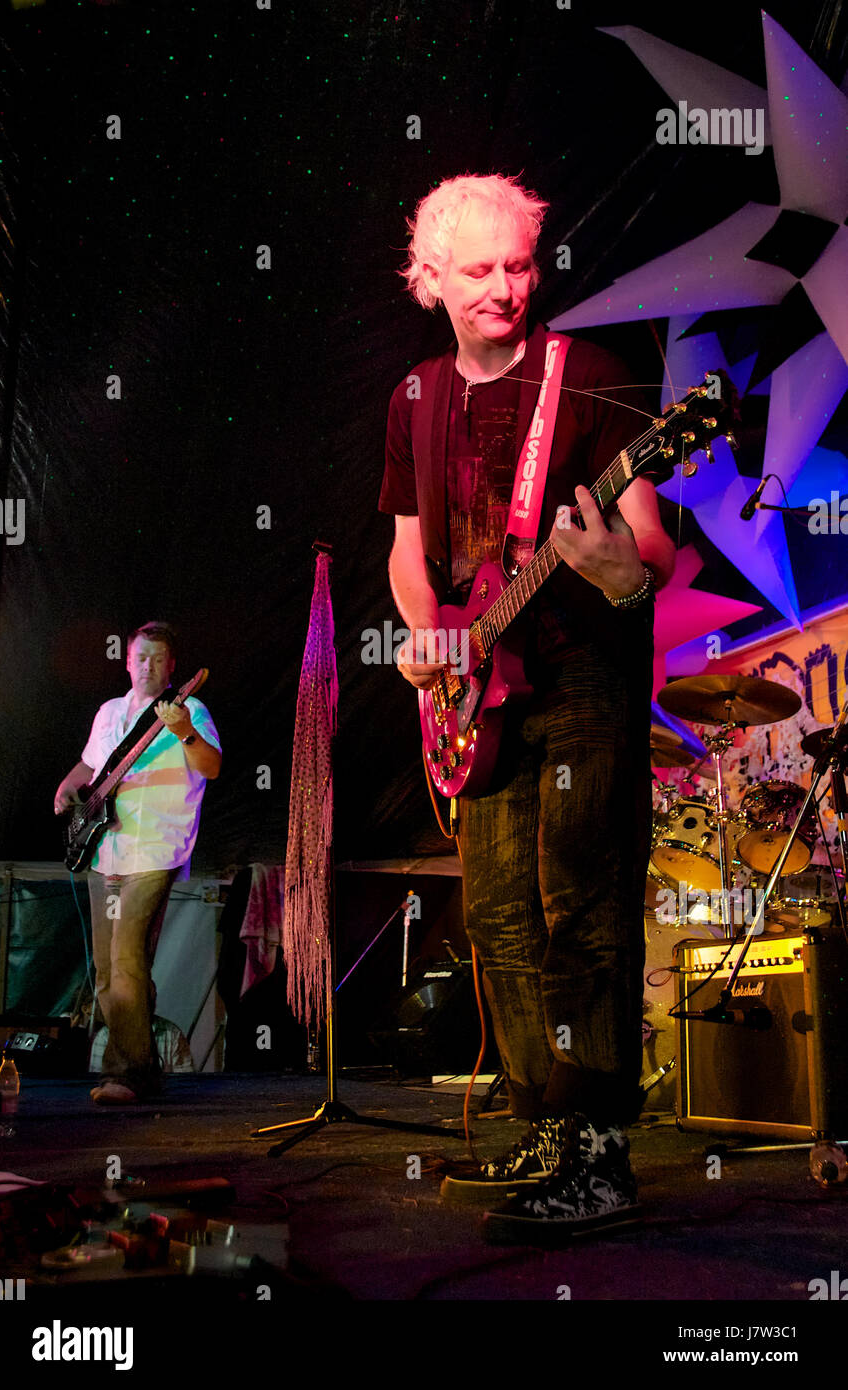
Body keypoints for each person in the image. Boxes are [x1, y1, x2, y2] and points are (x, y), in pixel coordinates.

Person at [378, 174, 676, 1243]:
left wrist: (610, 567)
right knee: (498, 917)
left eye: (518, 265)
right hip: (478, 694)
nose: (504, 287)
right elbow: (410, 559)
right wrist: (427, 633)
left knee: (582, 913)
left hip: (582, 682)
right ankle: (542, 1121)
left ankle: (599, 1150)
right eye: (477, 270)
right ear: (429, 281)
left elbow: (646, 550)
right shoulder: (415, 396)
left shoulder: (589, 376)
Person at [54, 621, 221, 1105]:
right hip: (106, 848)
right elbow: (92, 765)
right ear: (127, 662)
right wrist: (68, 786)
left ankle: (129, 1074)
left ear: (172, 667)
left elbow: (211, 766)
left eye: (157, 659)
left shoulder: (190, 710)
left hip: (156, 849)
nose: (146, 666)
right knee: (108, 969)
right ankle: (135, 1070)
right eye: (139, 657)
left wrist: (185, 733)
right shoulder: (108, 712)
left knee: (129, 955)